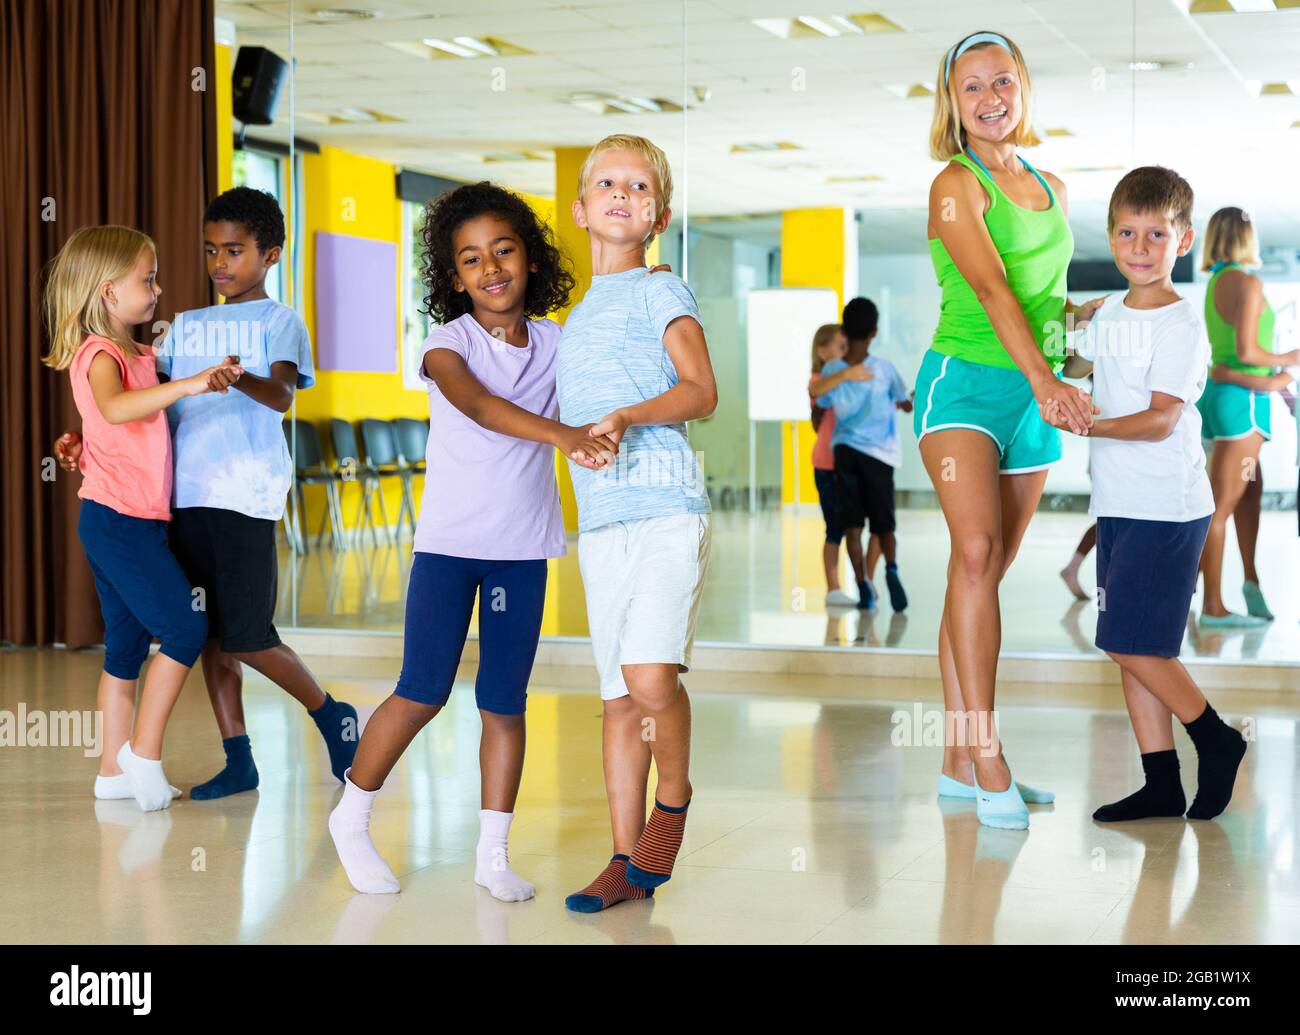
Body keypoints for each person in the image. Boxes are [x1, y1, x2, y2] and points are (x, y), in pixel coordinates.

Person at [328, 182, 615, 897]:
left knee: (503, 701)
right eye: (472, 259)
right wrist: (566, 437)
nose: (491, 268)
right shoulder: (444, 343)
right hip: (450, 546)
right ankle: (352, 814)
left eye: (505, 250)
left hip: (522, 548)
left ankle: (493, 857)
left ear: (530, 258)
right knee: (422, 690)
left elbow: (606, 374)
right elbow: (484, 407)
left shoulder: (557, 342)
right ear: (454, 277)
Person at [59, 186, 357, 799]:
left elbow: (279, 396)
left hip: (245, 497)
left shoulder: (281, 321)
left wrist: (229, 374)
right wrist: (84, 444)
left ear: (270, 255)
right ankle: (238, 756)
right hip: (180, 500)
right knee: (212, 635)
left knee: (249, 636)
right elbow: (141, 408)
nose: (220, 264)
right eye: (210, 250)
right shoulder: (182, 325)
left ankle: (331, 713)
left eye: (235, 251)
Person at [913, 30, 1101, 828]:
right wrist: (1045, 378)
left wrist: (1087, 325)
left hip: (1034, 391)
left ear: (1022, 87)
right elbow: (990, 291)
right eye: (972, 88)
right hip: (965, 387)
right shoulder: (954, 185)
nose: (990, 98)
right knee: (976, 554)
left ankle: (957, 761)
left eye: (1002, 82)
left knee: (980, 575)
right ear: (952, 105)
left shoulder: (1052, 183)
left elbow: (1041, 297)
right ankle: (986, 751)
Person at [1049, 165, 1247, 822]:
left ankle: (1214, 738)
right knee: (1140, 647)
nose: (1139, 245)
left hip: (1167, 506)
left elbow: (1161, 418)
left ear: (1183, 241)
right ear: (1110, 236)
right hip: (1118, 502)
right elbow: (1072, 359)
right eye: (1128, 232)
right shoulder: (1106, 311)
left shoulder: (1182, 324)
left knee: (1126, 640)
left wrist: (1085, 420)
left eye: (1156, 233)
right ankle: (1160, 782)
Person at [557, 134, 717, 910]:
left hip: (664, 510)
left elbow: (700, 389)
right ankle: (624, 861)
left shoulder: (662, 290)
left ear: (659, 213)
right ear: (581, 207)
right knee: (618, 697)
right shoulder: (575, 315)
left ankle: (675, 799)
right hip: (602, 525)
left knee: (652, 678)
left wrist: (627, 415)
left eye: (641, 186)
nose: (624, 194)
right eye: (608, 183)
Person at [42, 225, 225, 810]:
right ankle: (144, 756)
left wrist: (79, 440)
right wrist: (191, 386)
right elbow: (117, 409)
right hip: (115, 521)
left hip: (130, 520)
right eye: (146, 280)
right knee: (184, 628)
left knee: (124, 647)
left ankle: (111, 771)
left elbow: (113, 426)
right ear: (105, 292)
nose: (157, 289)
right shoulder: (100, 354)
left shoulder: (141, 354)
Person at [1196, 206, 1300, 626]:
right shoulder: (1249, 283)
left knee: (1250, 493)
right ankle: (1212, 608)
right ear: (1247, 237)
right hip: (1245, 406)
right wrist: (1288, 361)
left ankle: (1251, 582)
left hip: (1222, 397)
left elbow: (1228, 356)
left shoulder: (1217, 282)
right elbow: (1248, 353)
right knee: (1220, 507)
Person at [811, 297, 912, 612]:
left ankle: (862, 583)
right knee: (884, 526)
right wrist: (907, 401)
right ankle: (890, 570)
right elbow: (903, 401)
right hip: (880, 456)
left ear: (844, 329)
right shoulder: (883, 369)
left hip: (844, 452)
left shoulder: (832, 370)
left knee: (852, 526)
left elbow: (820, 408)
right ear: (874, 331)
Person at [807, 322, 860, 606]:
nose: (844, 352)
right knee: (835, 528)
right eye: (840, 347)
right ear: (822, 351)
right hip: (827, 465)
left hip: (851, 464)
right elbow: (817, 390)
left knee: (853, 526)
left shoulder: (848, 379)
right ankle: (833, 588)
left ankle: (862, 583)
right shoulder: (820, 378)